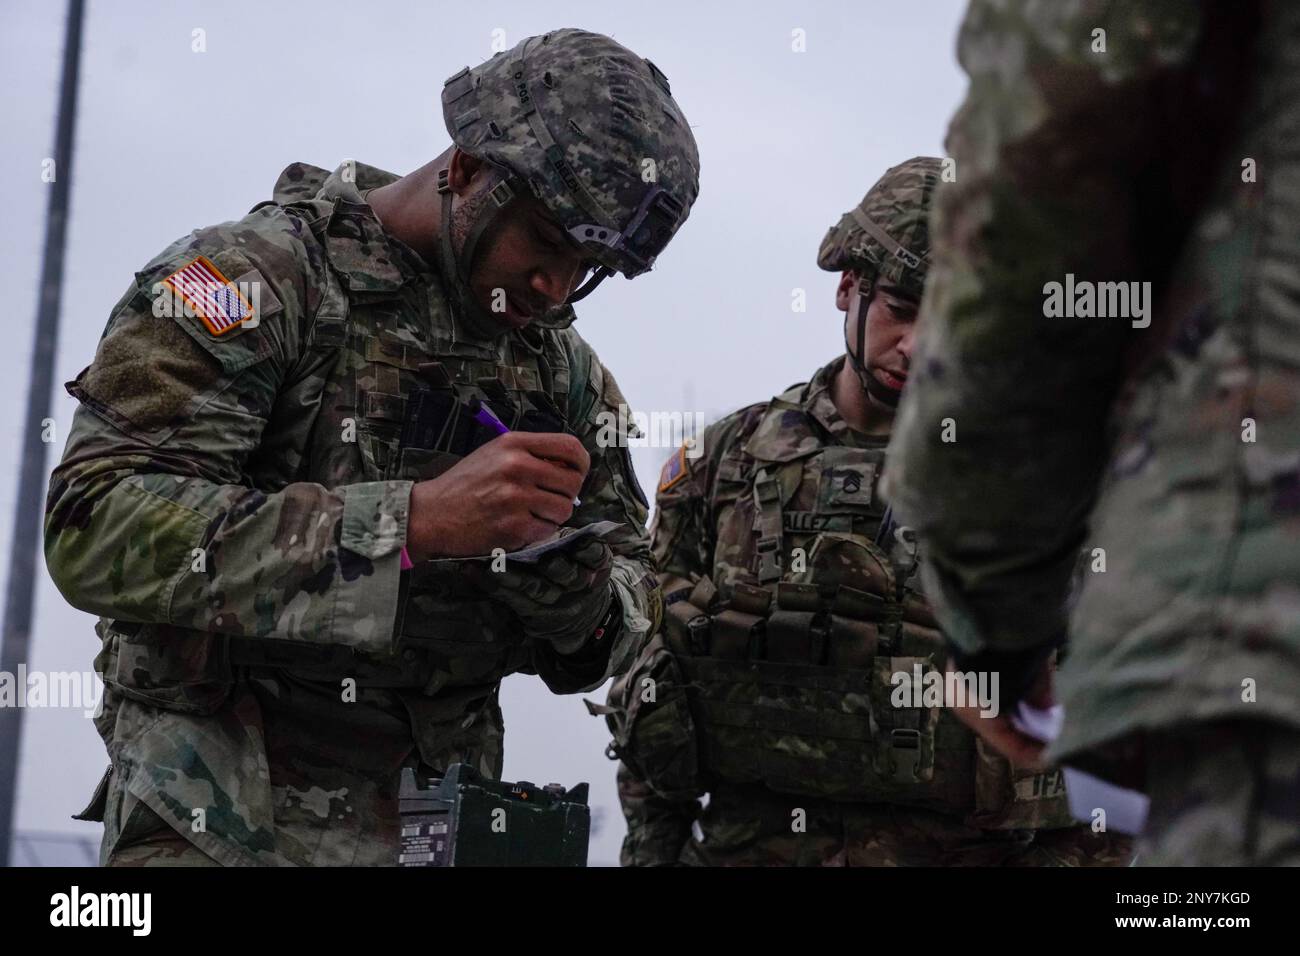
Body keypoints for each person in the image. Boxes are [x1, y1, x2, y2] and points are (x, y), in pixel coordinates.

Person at [43, 28, 700, 866]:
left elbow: (632, 601)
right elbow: (94, 530)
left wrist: (575, 597)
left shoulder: (560, 373)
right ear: (466, 168)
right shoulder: (253, 282)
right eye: (545, 242)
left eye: (589, 268)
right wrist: (413, 524)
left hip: (435, 824)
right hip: (217, 811)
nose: (556, 288)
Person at [605, 158, 1129, 865]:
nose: (918, 346)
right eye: (902, 310)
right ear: (849, 287)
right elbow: (651, 682)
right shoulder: (725, 463)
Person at [886, 0, 1300, 864]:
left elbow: (1033, 205)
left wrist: (993, 623)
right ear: (848, 294)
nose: (910, 338)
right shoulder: (737, 452)